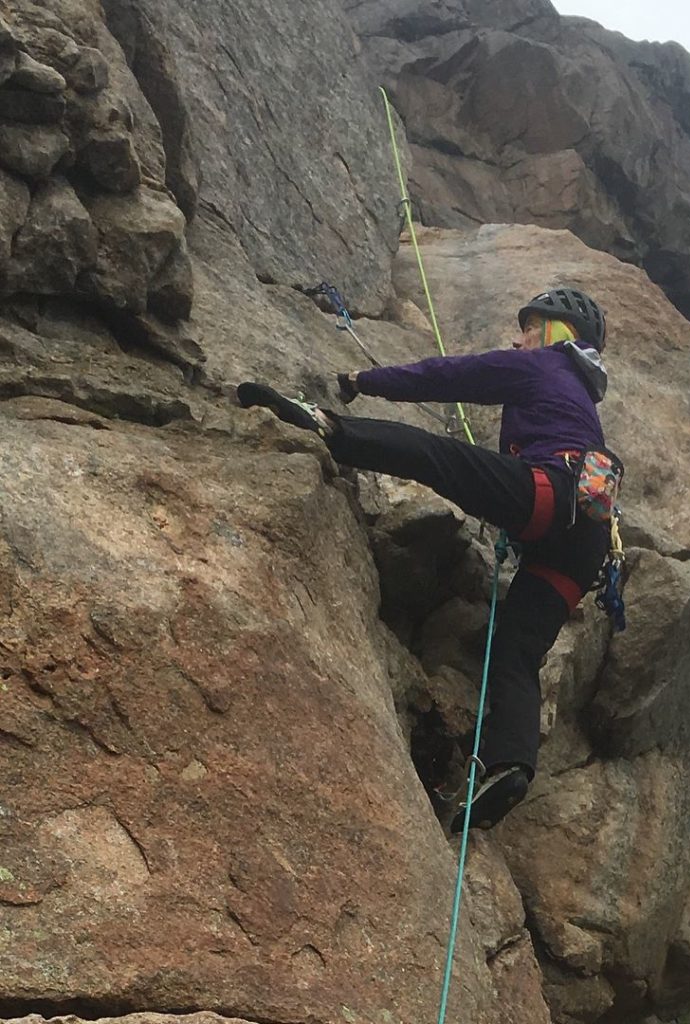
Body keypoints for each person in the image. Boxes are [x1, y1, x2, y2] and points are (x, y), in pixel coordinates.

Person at [237, 287, 615, 831]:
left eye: (531, 327)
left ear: (558, 334)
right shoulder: (579, 392)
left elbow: (450, 376)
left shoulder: (542, 367)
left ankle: (326, 424)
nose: (520, 337)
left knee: (436, 456)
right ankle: (508, 765)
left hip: (546, 495)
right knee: (515, 650)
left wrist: (363, 382)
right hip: (583, 546)